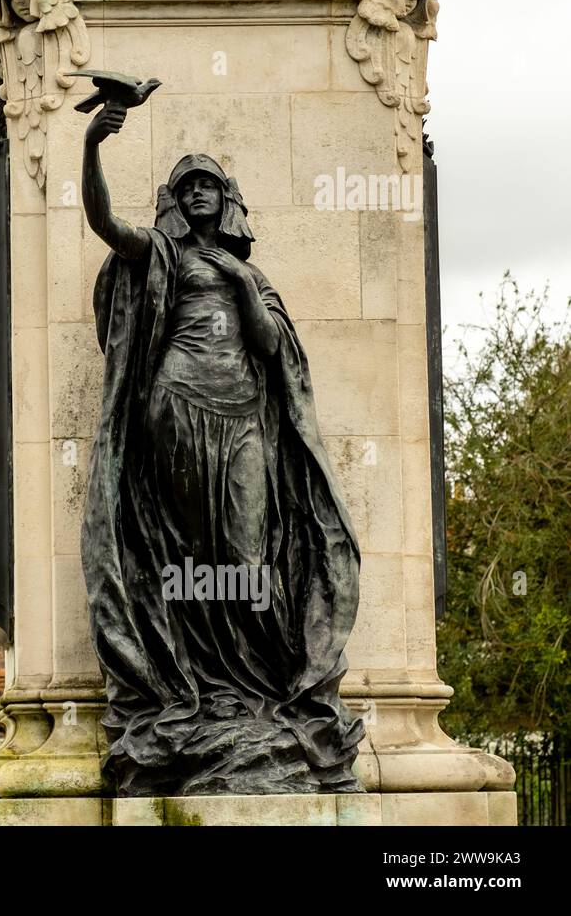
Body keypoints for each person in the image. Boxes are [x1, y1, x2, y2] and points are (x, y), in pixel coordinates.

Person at [79, 102, 365, 795]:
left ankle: (256, 685)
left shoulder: (250, 276)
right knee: (191, 553)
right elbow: (104, 224)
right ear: (175, 201)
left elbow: (270, 349)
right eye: (186, 184)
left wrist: (239, 280)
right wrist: (92, 145)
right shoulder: (163, 251)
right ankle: (207, 692)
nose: (197, 190)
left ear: (227, 198)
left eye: (208, 182)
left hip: (242, 421)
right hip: (175, 409)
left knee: (245, 550)